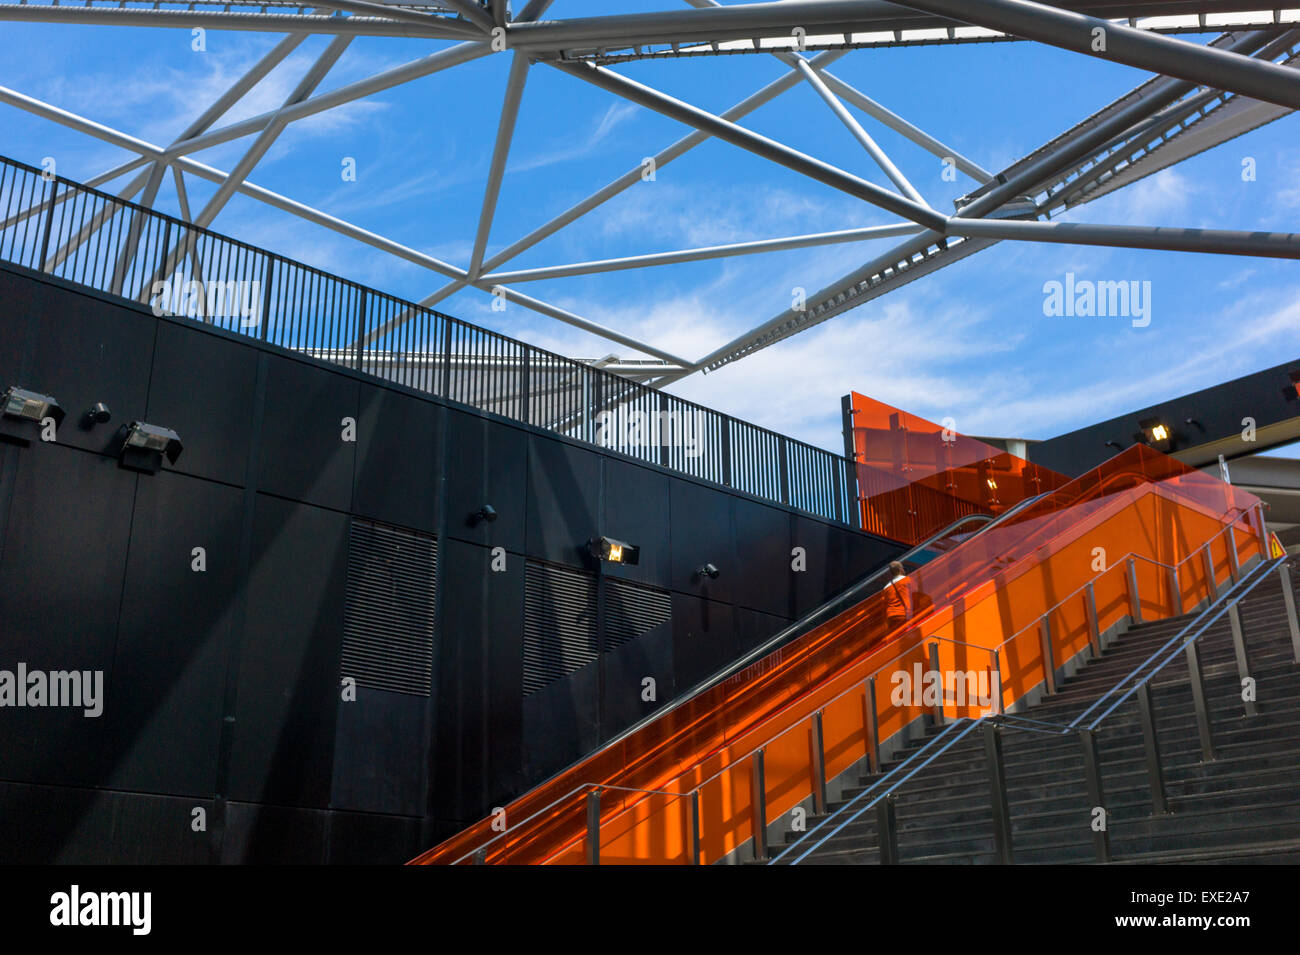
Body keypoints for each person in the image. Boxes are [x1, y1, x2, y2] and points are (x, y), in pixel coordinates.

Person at [884, 560, 912, 630]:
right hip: (902, 613)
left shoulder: (886, 587)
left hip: (890, 616)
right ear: (901, 569)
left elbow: (886, 602)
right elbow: (916, 592)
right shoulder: (906, 580)